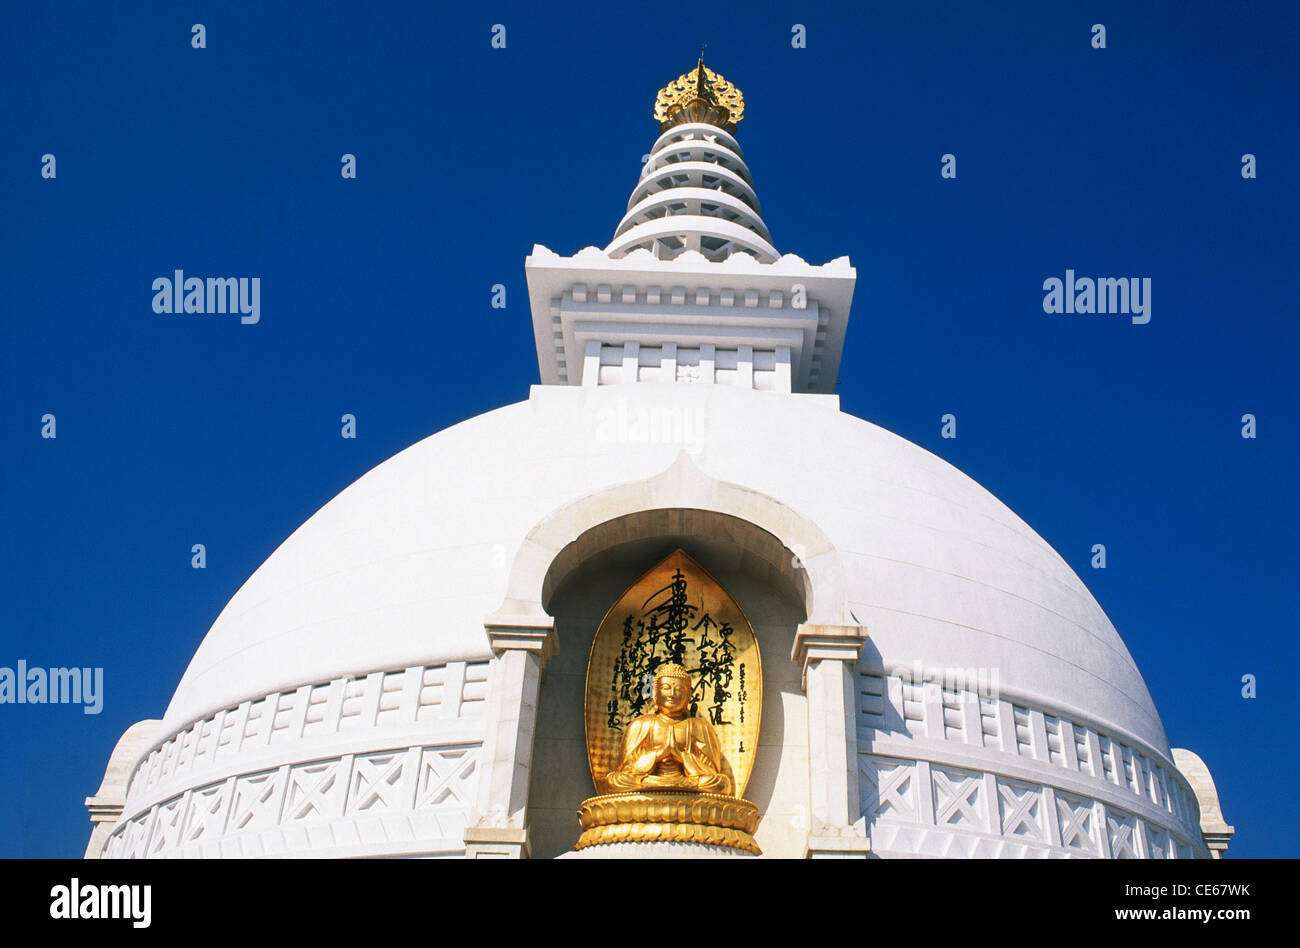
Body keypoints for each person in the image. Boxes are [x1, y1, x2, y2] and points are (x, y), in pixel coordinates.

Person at [605, 662, 733, 795]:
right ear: (655, 694)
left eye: (678, 689)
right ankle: (662, 786)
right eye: (666, 688)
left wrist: (683, 757)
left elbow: (710, 771)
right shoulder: (641, 724)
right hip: (650, 780)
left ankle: (667, 787)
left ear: (689, 695)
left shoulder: (699, 726)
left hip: (685, 782)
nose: (672, 694)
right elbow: (627, 769)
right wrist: (657, 755)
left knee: (720, 783)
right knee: (616, 781)